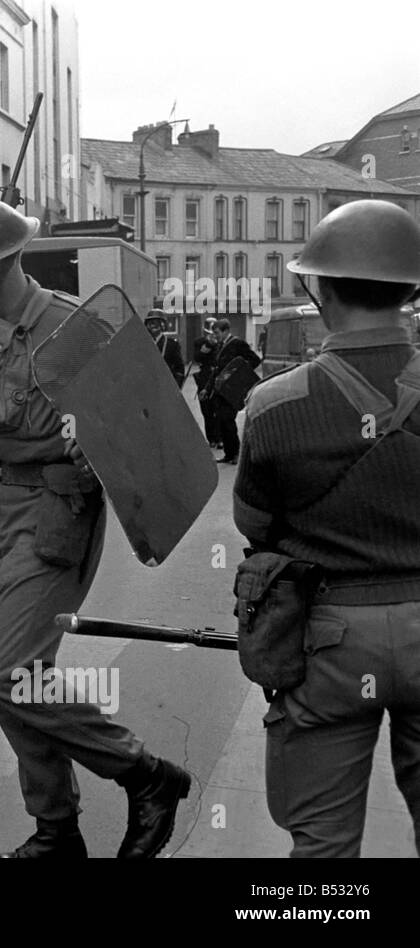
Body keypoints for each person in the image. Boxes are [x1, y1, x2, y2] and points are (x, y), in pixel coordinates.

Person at [0, 196, 190, 859]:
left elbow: (146, 430)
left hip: (57, 509)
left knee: (8, 671)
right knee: (19, 681)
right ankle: (56, 830)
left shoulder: (76, 327)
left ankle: (145, 773)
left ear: (5, 262)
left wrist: (91, 443)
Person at [235, 199, 420, 858]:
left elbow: (255, 525)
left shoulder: (272, 406)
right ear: (411, 287)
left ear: (320, 289)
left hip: (331, 641)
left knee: (323, 853)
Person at [206, 317, 262, 464]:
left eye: (217, 332)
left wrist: (237, 375)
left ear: (226, 331)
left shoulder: (238, 344)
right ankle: (228, 454)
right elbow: (216, 370)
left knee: (227, 420)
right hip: (220, 390)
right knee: (221, 422)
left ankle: (236, 453)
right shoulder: (220, 346)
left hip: (232, 391)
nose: (215, 336)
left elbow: (255, 360)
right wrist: (207, 388)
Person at [192, 317, 221, 448]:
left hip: (218, 377)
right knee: (207, 410)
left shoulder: (222, 342)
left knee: (219, 409)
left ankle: (220, 438)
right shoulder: (200, 342)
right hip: (204, 378)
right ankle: (212, 439)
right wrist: (208, 345)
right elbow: (197, 358)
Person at [145, 309, 185, 388]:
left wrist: (176, 388)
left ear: (162, 324)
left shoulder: (172, 345)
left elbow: (179, 369)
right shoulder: (143, 344)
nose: (151, 326)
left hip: (165, 387)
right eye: (149, 323)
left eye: (155, 323)